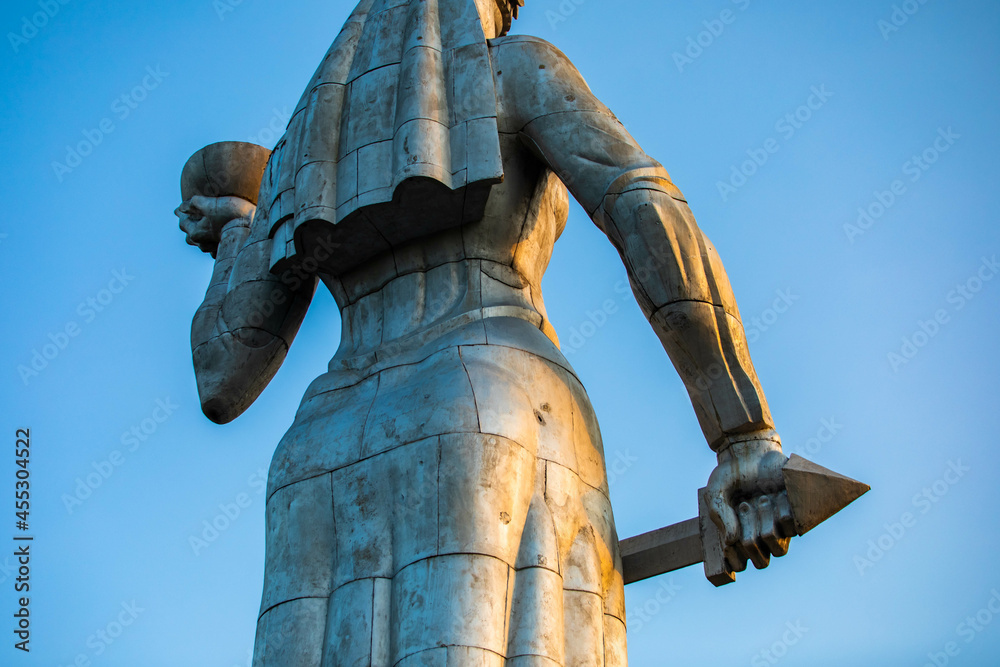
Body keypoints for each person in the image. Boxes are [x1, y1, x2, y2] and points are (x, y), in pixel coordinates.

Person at [176, 1, 795, 664]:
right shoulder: (518, 70)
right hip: (494, 394)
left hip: (319, 453)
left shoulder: (300, 151)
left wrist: (241, 226)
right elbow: (643, 204)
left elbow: (222, 376)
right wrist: (742, 433)